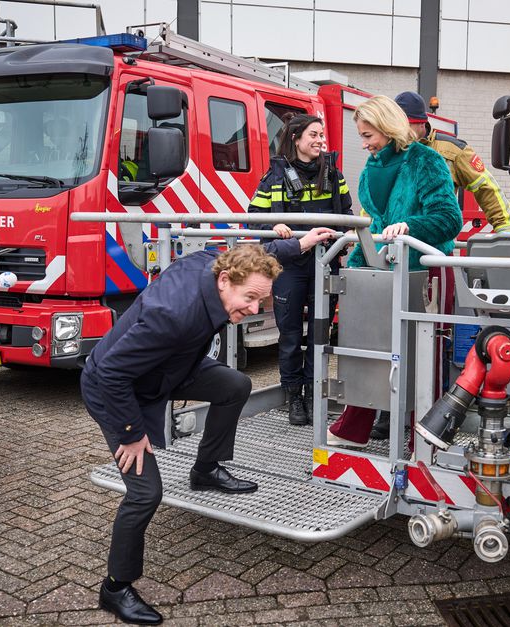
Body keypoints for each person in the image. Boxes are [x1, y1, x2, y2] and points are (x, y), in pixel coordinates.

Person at [81, 235, 333, 625]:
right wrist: (131, 433)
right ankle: (115, 587)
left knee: (235, 385)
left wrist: (300, 243)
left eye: (260, 301)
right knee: (146, 493)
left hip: (172, 368)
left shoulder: (219, 263)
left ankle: (205, 469)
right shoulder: (174, 314)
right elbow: (112, 373)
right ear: (224, 281)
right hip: (116, 388)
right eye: (249, 298)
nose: (253, 309)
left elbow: (262, 254)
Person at [326, 95, 462, 448]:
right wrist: (353, 266)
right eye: (362, 135)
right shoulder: (372, 168)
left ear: (388, 127)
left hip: (424, 274)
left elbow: (449, 218)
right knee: (369, 345)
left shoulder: (426, 161)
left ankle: (424, 432)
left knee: (421, 357)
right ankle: (356, 426)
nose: (365, 143)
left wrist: (409, 227)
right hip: (382, 273)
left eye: (369, 134)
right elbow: (374, 225)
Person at [248, 114, 353, 426]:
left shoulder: (334, 174)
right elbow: (254, 216)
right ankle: (293, 396)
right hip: (290, 265)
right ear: (296, 138)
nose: (320, 140)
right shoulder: (275, 176)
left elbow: (346, 212)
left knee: (320, 335)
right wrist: (274, 223)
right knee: (291, 336)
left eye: (322, 134)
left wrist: (340, 234)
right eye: (314, 135)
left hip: (326, 261)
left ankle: (313, 392)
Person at [393, 91, 510, 233]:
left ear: (421, 122)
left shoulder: (453, 151)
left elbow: (486, 189)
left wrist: (506, 231)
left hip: (434, 244)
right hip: (395, 242)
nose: (400, 133)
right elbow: (376, 195)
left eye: (405, 126)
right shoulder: (393, 150)